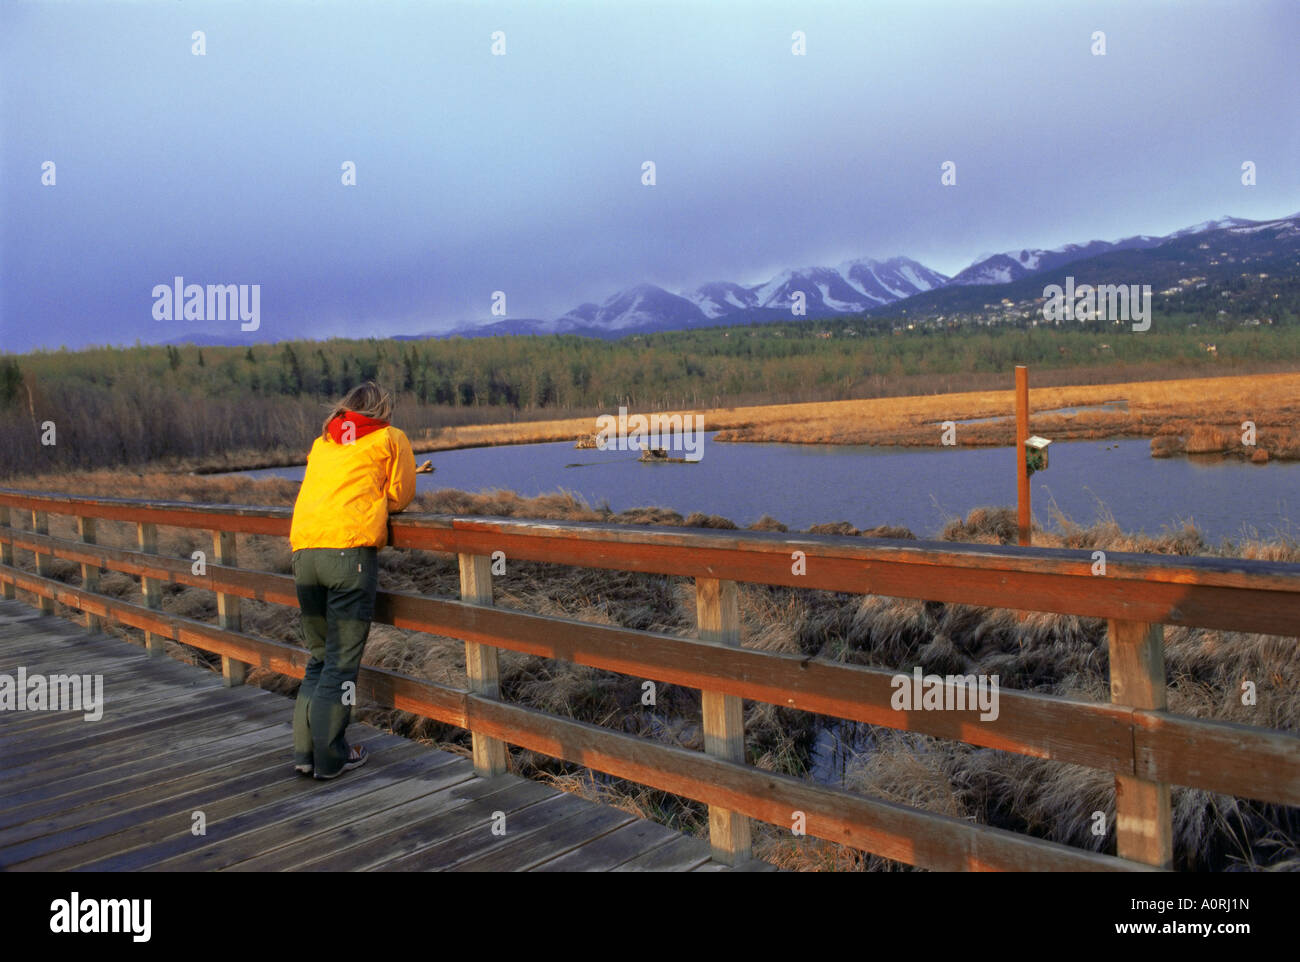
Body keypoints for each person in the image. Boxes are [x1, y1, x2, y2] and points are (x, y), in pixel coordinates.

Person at [288, 381, 416, 779]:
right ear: (384, 409)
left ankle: (305, 753)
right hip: (348, 556)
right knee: (341, 665)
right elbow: (401, 496)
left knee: (319, 658)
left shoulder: (323, 441)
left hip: (304, 553)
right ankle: (331, 758)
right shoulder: (390, 438)